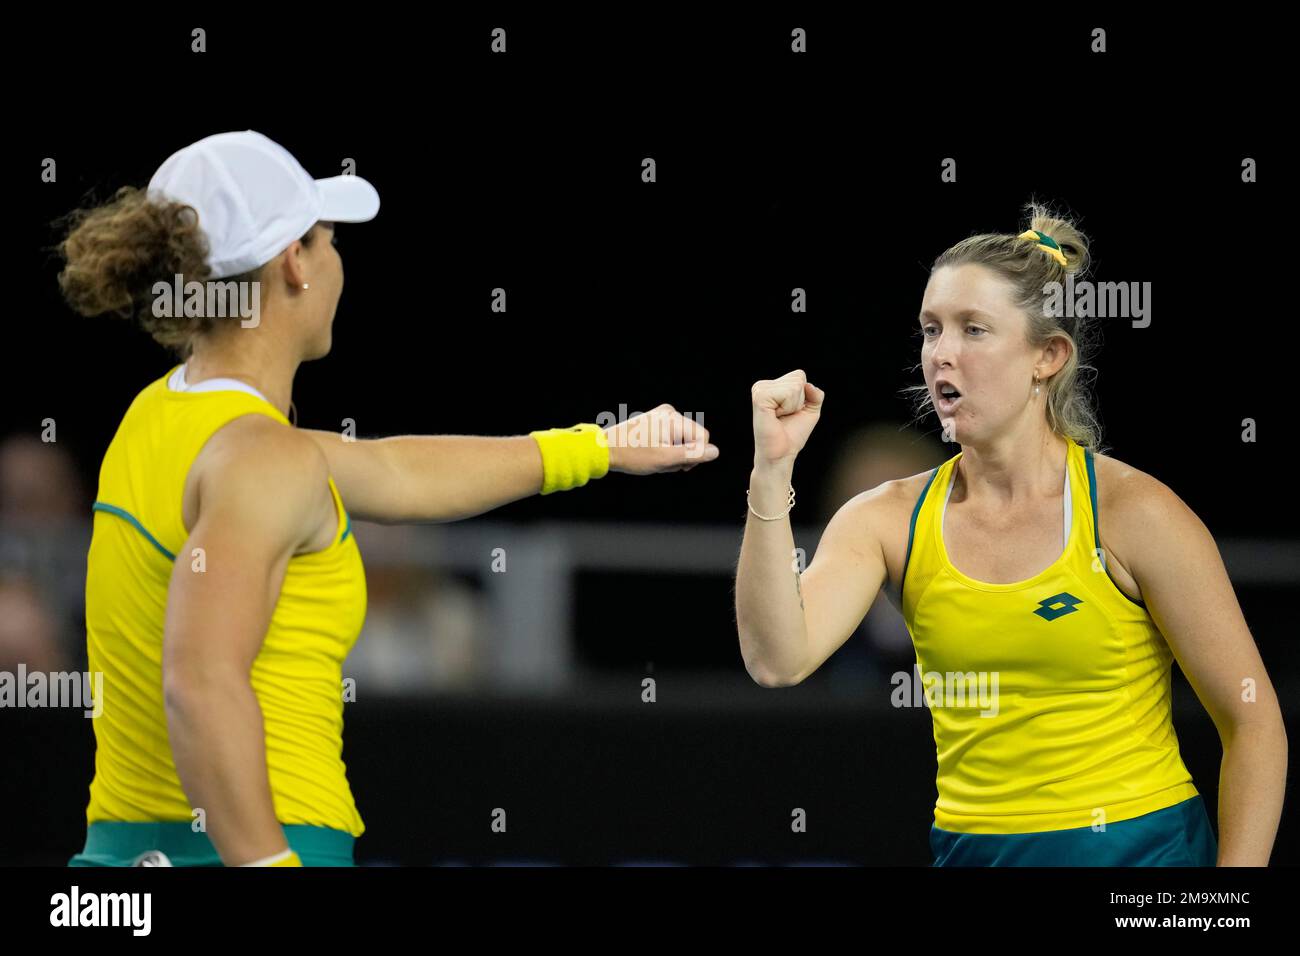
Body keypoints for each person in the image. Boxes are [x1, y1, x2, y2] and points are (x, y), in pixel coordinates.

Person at [56, 130, 719, 867]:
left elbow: (397, 472)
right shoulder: (264, 458)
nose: (339, 260)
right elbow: (199, 681)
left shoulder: (162, 418)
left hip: (113, 873)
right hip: (254, 851)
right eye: (330, 239)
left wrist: (600, 448)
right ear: (294, 262)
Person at [735, 203, 1286, 866]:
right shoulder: (885, 519)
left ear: (1047, 357)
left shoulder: (1136, 512)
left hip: (1145, 861)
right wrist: (771, 472)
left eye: (974, 330)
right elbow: (776, 660)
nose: (942, 353)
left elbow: (1252, 721)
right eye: (931, 329)